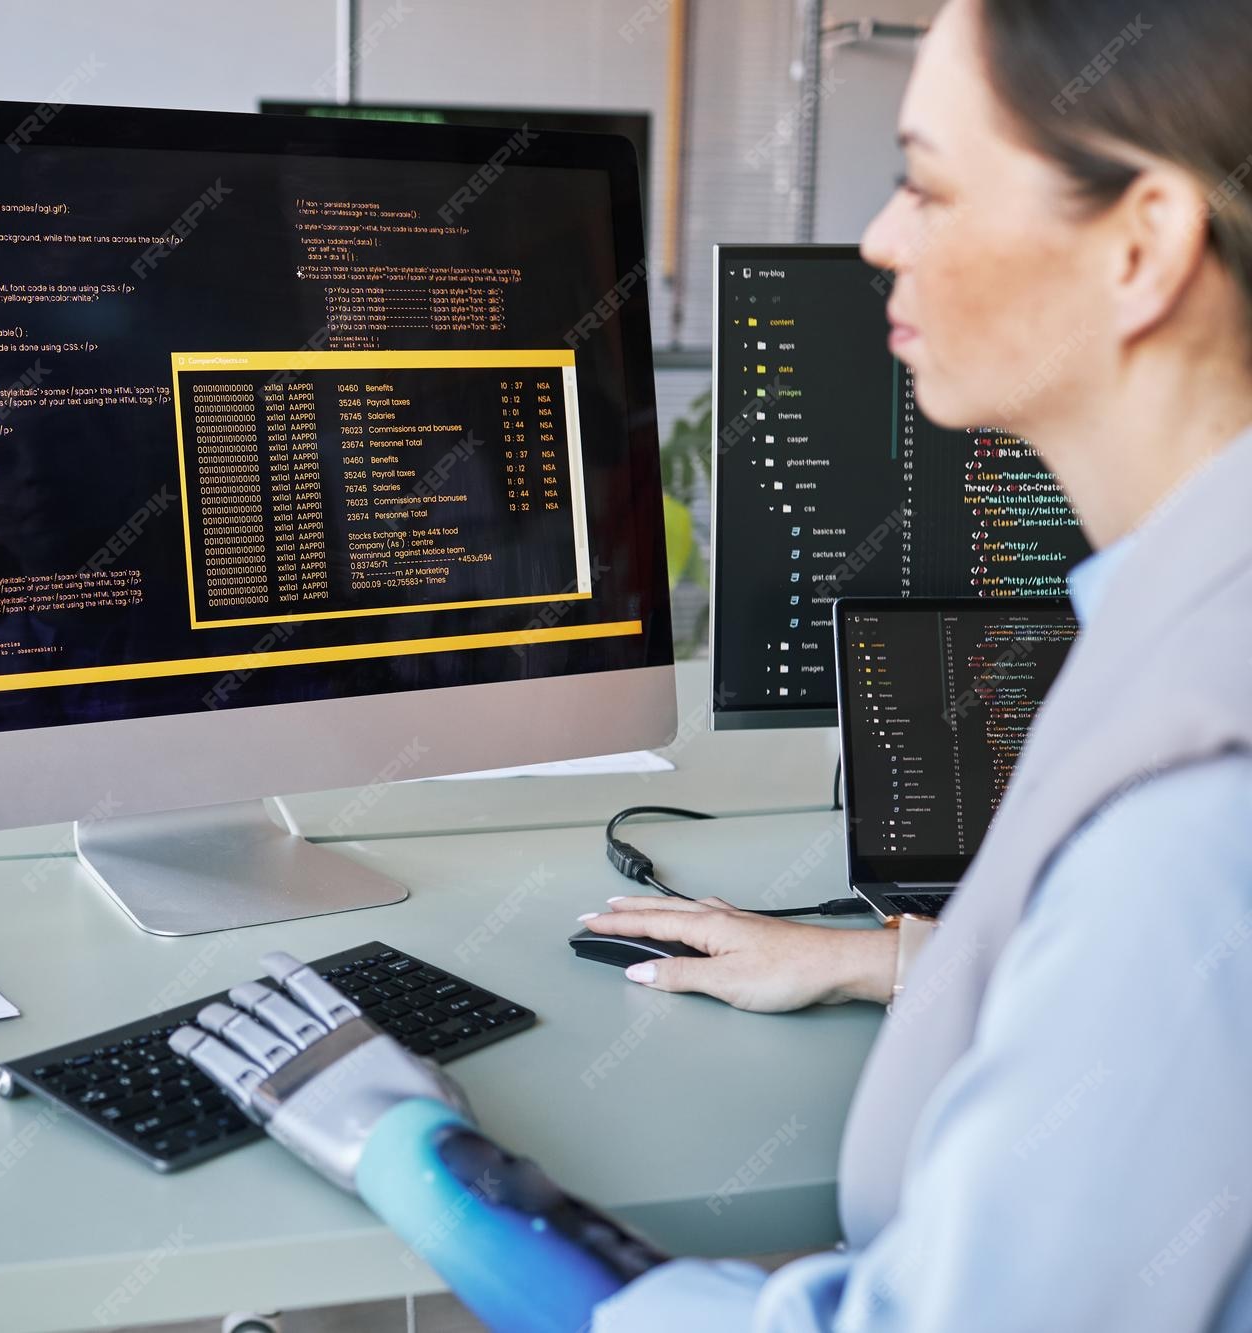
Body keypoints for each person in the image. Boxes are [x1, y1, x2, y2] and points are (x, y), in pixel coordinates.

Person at [176, 0, 1252, 1327]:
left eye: (925, 181)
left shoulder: (1199, 804)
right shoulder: (1192, 621)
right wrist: (889, 961)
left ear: (1143, 246)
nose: (878, 238)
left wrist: (421, 1157)